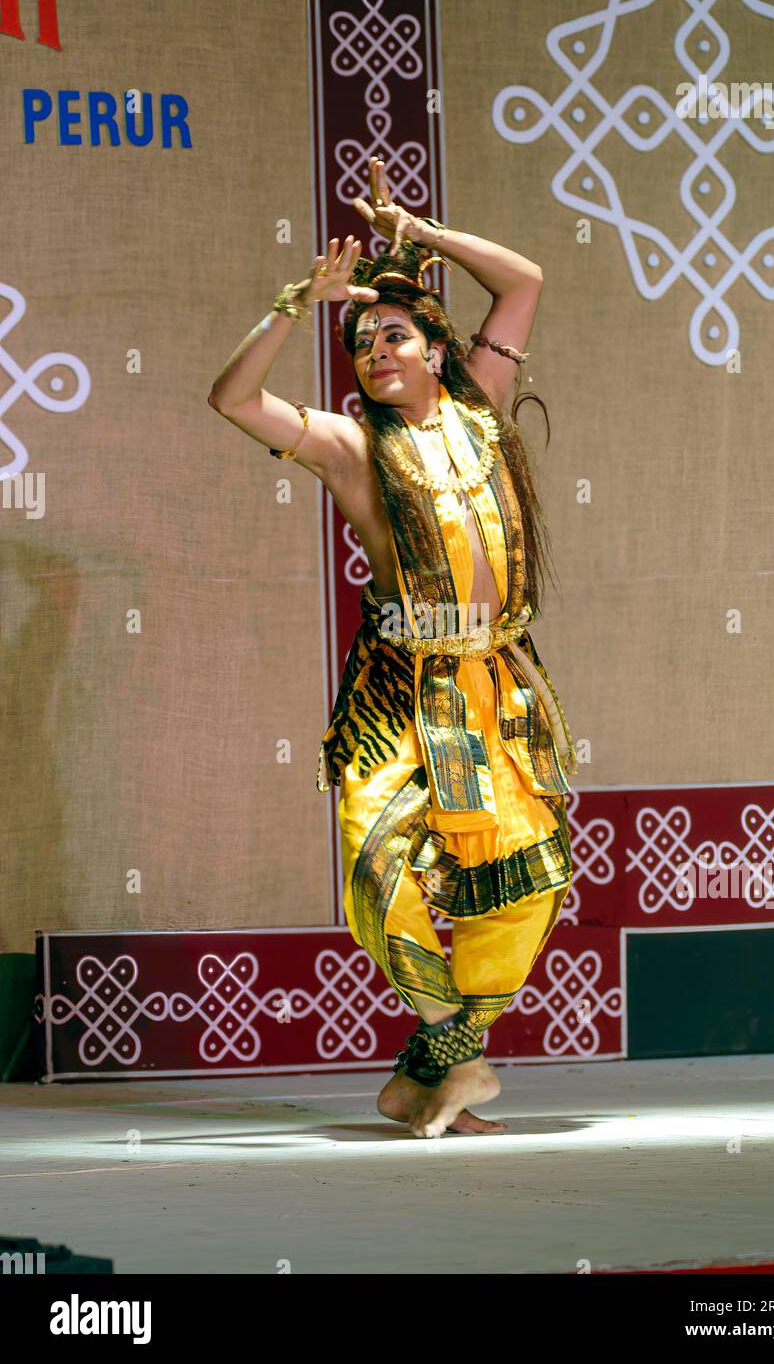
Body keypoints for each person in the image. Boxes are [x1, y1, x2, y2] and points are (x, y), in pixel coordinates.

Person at [208, 157, 577, 1138]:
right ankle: (449, 1054)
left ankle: (437, 1071)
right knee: (376, 871)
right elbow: (235, 401)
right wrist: (291, 305)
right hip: (396, 690)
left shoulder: (482, 406)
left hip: (481, 692)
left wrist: (417, 231)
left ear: (434, 347)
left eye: (393, 333)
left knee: (518, 874)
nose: (374, 349)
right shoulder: (351, 444)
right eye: (361, 340)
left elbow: (525, 278)